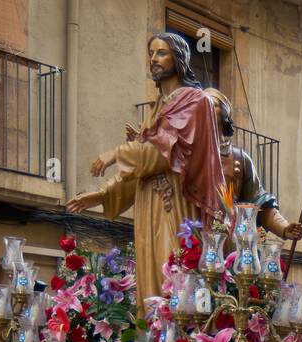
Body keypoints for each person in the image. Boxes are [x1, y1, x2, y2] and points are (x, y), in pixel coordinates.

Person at [68, 32, 225, 299]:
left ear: (178, 58)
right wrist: (103, 194)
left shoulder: (195, 101)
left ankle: (178, 339)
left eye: (161, 53)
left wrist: (115, 153)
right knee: (148, 290)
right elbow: (140, 170)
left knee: (171, 279)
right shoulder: (155, 111)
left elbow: (161, 154)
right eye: (151, 53)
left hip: (175, 207)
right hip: (147, 208)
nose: (153, 59)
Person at [205, 88, 302, 242]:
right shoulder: (188, 154)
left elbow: (260, 203)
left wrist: (284, 228)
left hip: (231, 240)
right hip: (195, 237)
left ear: (225, 113)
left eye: (213, 103)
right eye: (201, 103)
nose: (205, 106)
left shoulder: (240, 158)